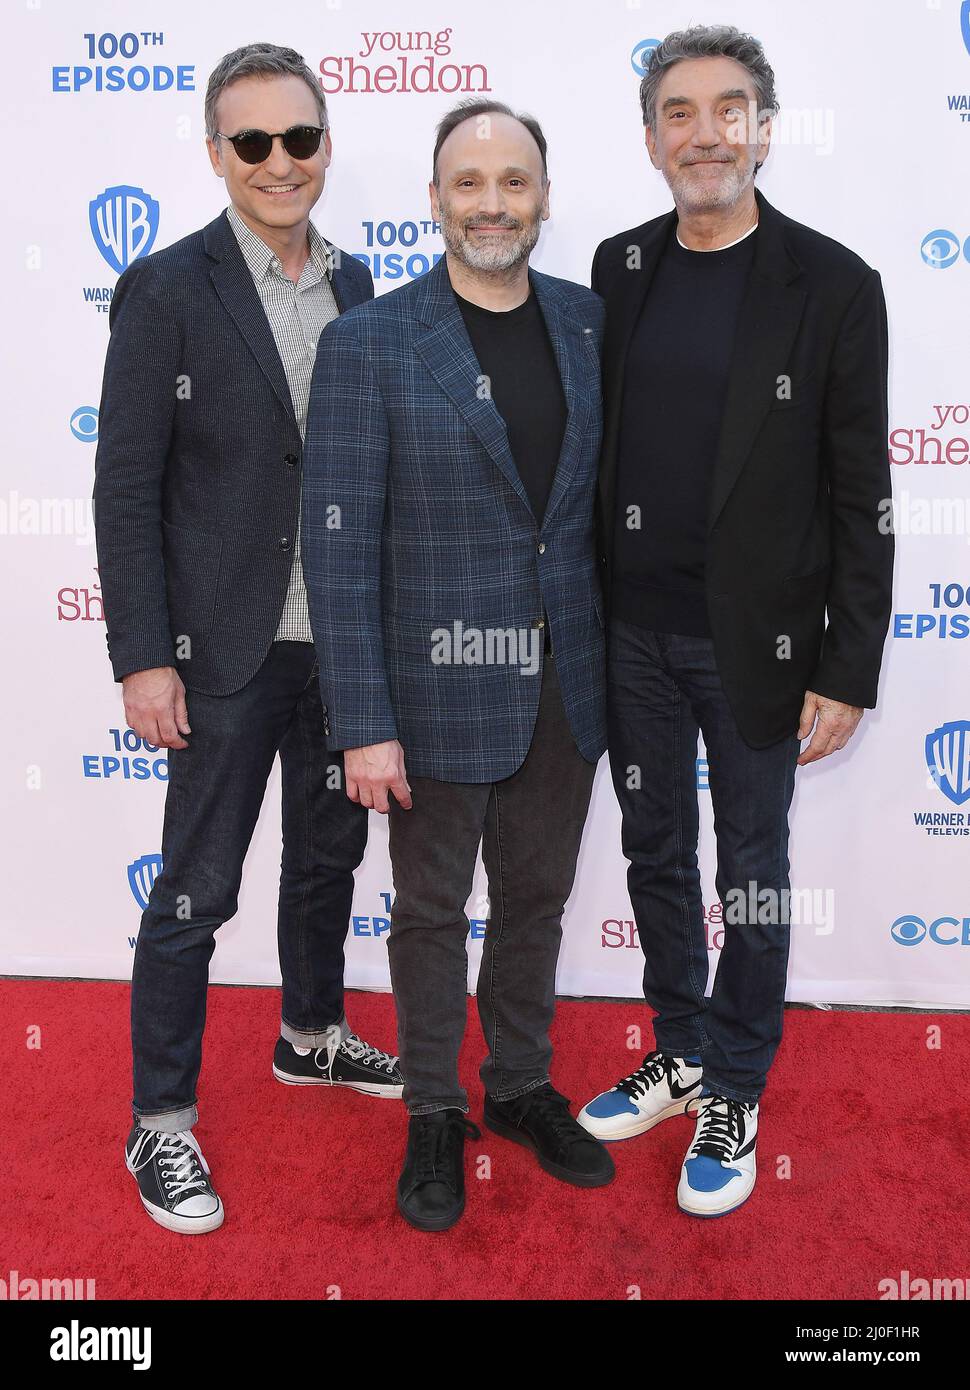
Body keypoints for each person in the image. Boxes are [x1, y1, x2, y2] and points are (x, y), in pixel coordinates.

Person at [579, 25, 893, 1218]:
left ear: (762, 125)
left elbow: (860, 492)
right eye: (678, 111)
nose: (703, 132)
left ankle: (738, 1080)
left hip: (760, 647)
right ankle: (683, 1045)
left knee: (752, 870)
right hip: (632, 636)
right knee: (654, 852)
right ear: (650, 135)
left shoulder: (833, 284)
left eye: (726, 109)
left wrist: (846, 665)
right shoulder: (616, 268)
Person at [94, 42, 402, 1236]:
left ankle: (309, 1035)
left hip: (342, 652)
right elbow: (126, 485)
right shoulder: (167, 287)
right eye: (254, 142)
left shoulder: (363, 284)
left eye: (301, 139)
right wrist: (141, 652)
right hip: (217, 650)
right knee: (198, 889)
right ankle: (158, 1122)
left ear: (326, 145)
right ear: (218, 153)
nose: (282, 162)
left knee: (327, 864)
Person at [303, 99, 614, 1232]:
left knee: (537, 898)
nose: (493, 204)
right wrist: (361, 720)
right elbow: (336, 551)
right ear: (435, 199)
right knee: (431, 909)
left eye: (514, 182)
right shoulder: (370, 341)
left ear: (542, 194)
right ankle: (434, 1107)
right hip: (425, 695)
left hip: (565, 689)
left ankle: (520, 1085)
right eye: (469, 183)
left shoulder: (589, 323)